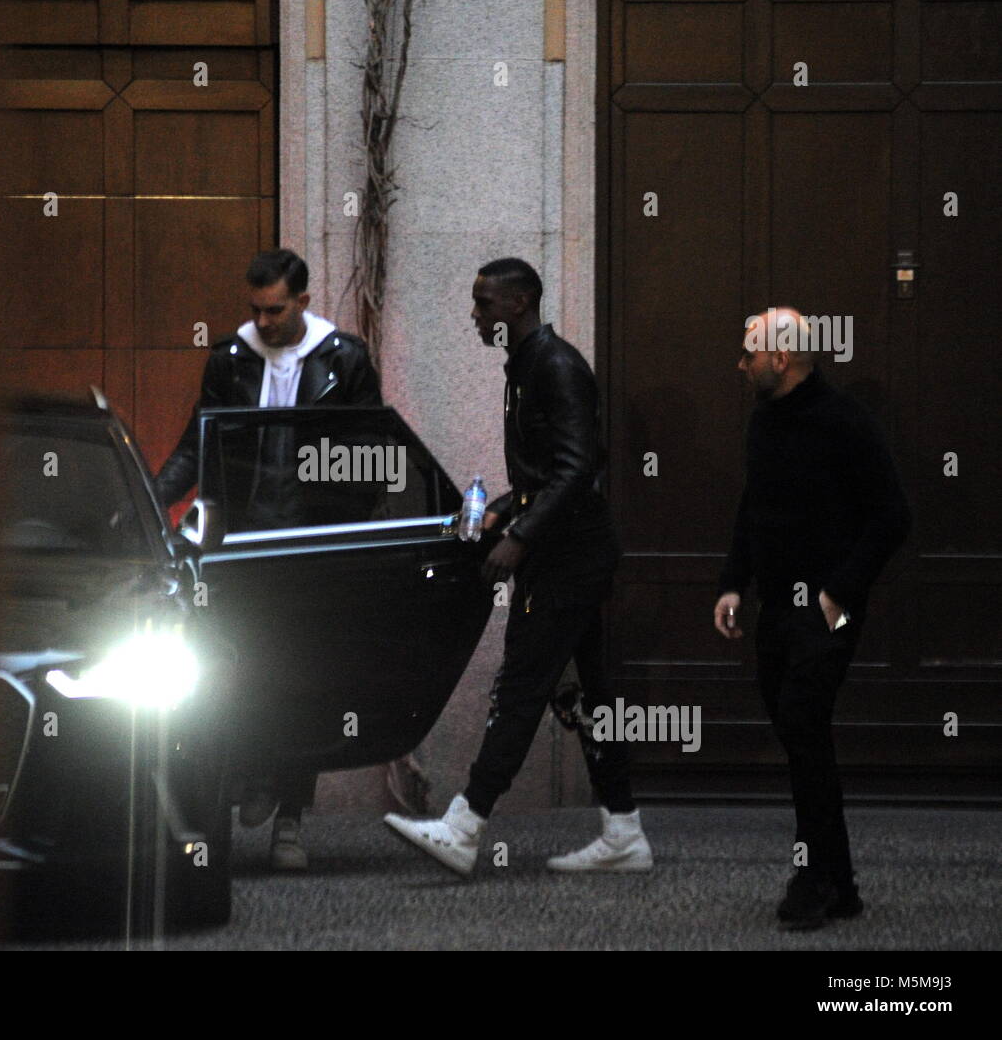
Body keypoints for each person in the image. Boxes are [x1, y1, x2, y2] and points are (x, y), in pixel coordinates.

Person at [383, 258, 651, 876]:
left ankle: (465, 824)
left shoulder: (554, 367)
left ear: (522, 301)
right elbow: (549, 475)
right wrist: (505, 511)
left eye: (485, 303)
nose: (475, 316)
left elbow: (576, 468)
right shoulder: (530, 365)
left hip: (567, 562)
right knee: (592, 697)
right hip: (570, 555)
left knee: (522, 690)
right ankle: (624, 831)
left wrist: (521, 537)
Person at [154, 248, 382, 870]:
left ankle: (289, 820)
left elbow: (372, 455)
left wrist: (344, 534)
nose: (264, 320)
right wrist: (149, 503)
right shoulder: (231, 359)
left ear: (304, 301)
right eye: (254, 310)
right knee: (238, 676)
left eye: (275, 309)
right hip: (243, 544)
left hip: (307, 549)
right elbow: (198, 443)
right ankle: (254, 781)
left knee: (301, 682)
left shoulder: (344, 359)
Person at [714, 307, 910, 930]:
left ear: (780, 359)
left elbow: (892, 516)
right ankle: (840, 881)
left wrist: (837, 597)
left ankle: (813, 880)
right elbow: (755, 504)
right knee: (804, 743)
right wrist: (732, 584)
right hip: (777, 609)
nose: (739, 364)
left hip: (825, 614)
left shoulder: (843, 422)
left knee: (803, 726)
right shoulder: (765, 420)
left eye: (748, 354)